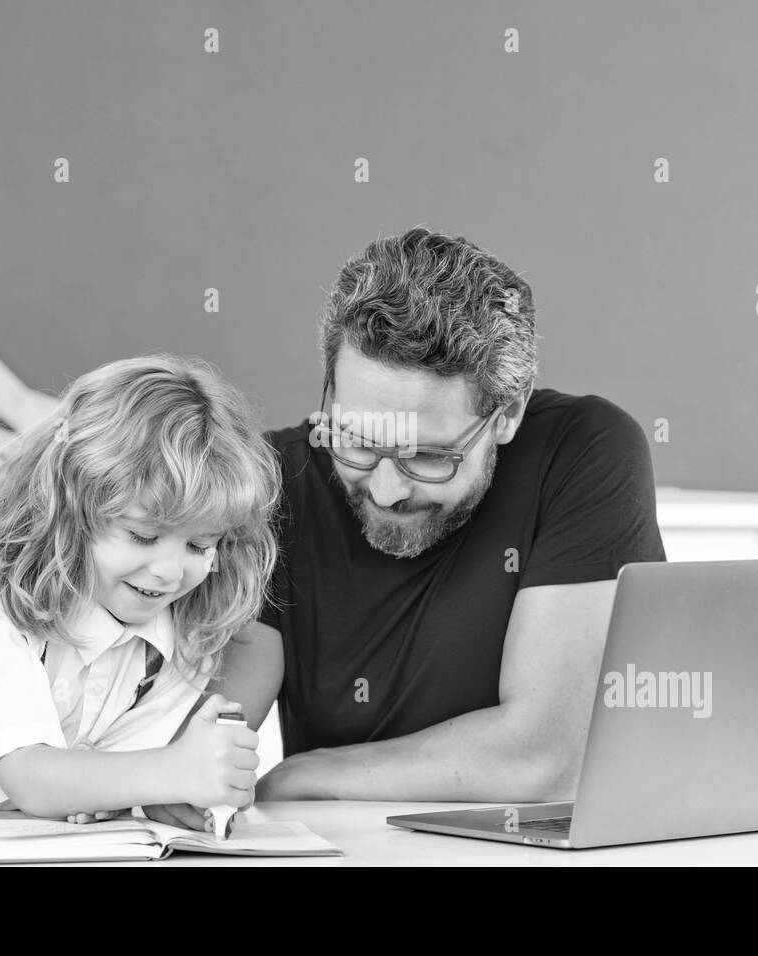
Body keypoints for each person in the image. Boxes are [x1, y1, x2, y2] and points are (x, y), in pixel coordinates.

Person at [214, 227, 667, 805]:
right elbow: (212, 732)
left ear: (507, 414)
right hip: (344, 843)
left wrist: (301, 775)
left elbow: (543, 759)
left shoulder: (583, 452)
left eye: (429, 456)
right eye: (354, 440)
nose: (385, 490)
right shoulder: (275, 478)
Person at [0, 354, 277, 821]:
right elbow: (29, 776)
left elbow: (107, 779)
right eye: (143, 536)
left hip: (9, 833)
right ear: (73, 504)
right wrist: (172, 772)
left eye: (199, 545)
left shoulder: (180, 625)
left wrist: (132, 790)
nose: (169, 572)